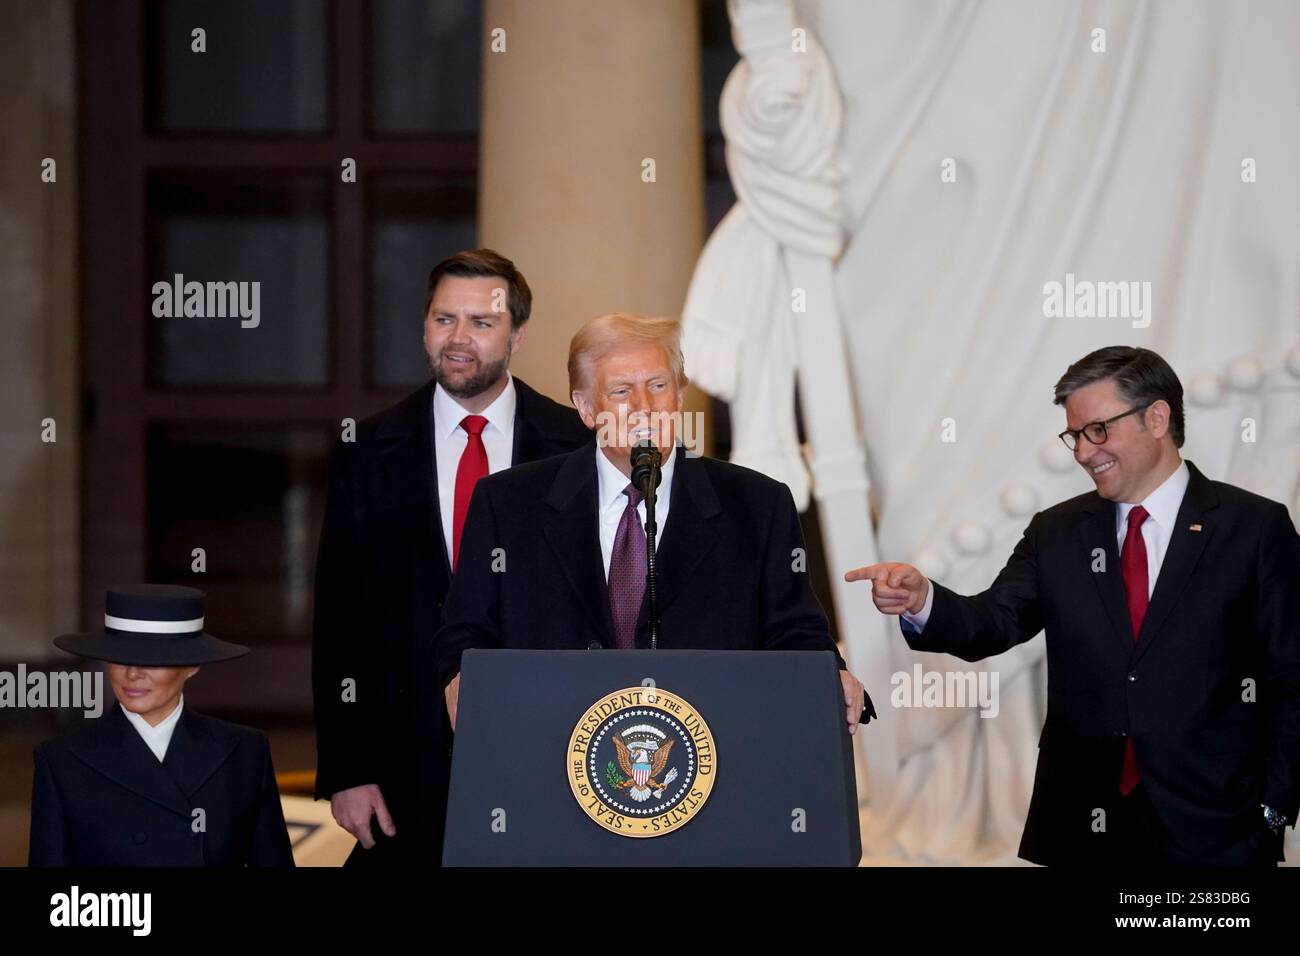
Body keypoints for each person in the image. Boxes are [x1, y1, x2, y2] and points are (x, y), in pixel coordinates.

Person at [846, 346, 1300, 866]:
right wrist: (924, 599)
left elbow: (1294, 677)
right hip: (1083, 827)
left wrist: (1275, 809)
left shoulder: (1254, 528)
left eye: (1097, 430)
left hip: (1217, 830)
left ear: (1157, 417)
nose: (1084, 452)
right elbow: (993, 622)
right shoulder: (1057, 532)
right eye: (1075, 436)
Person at [436, 312, 872, 734]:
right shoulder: (510, 505)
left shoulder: (756, 505)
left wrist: (829, 672)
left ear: (679, 398)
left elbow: (794, 628)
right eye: (622, 391)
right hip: (550, 750)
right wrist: (461, 673)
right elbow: (466, 630)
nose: (644, 407)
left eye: (659, 386)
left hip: (712, 759)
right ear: (587, 409)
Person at [312, 248, 589, 866]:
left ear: (516, 334)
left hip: (550, 753)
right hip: (401, 759)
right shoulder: (367, 450)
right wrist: (347, 769)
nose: (458, 340)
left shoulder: (575, 446)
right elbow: (339, 621)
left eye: (481, 323)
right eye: (444, 320)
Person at [29, 585, 294, 867]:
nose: (133, 674)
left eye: (152, 660)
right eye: (120, 657)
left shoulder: (244, 752)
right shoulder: (62, 762)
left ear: (192, 665)